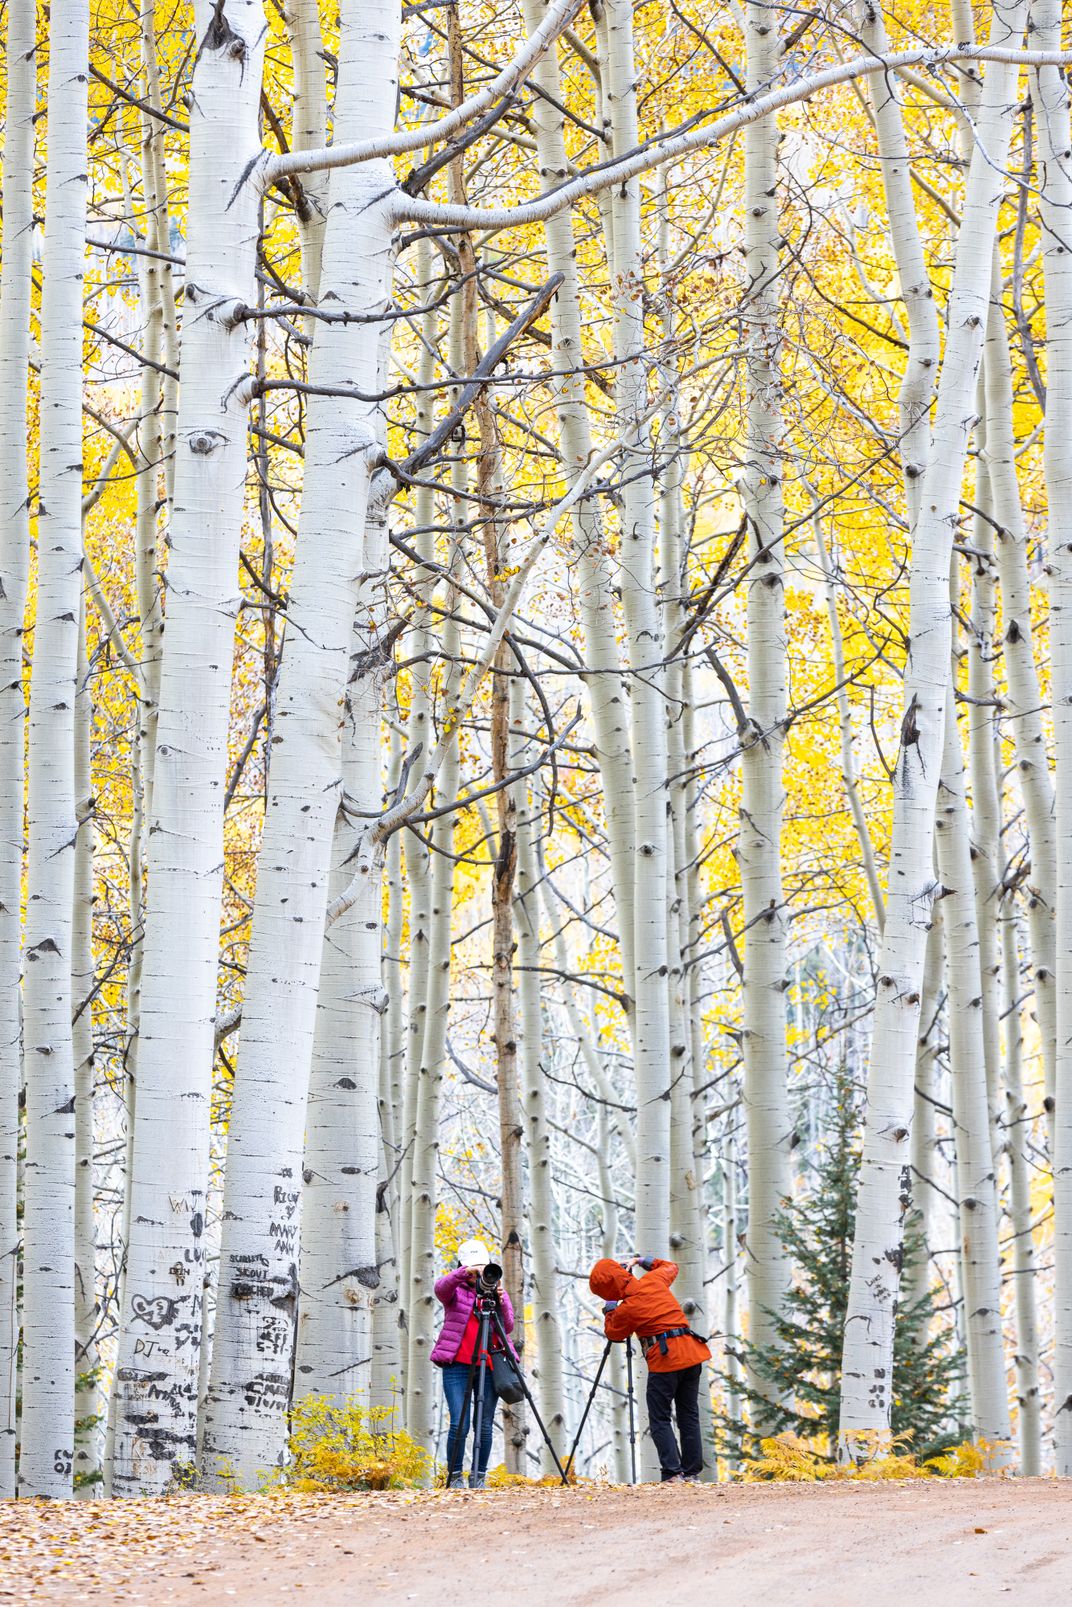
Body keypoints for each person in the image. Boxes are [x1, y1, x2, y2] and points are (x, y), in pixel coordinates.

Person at [589, 1255, 711, 1483]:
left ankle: (673, 1473)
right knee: (689, 1414)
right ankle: (692, 1472)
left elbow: (614, 1333)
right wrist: (641, 1260)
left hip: (666, 1360)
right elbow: (671, 1266)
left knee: (660, 1417)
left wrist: (610, 1308)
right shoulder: (654, 1281)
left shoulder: (629, 1308)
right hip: (692, 1354)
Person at [431, 1237, 517, 1489]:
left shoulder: (496, 1292)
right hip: (457, 1365)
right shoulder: (454, 1292)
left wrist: (501, 1300)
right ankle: (454, 1476)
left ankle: (478, 1477)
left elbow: (508, 1327)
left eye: (483, 1267)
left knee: (485, 1424)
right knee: (459, 1422)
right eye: (473, 1267)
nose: (478, 1273)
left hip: (489, 1367)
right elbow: (440, 1289)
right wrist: (463, 1273)